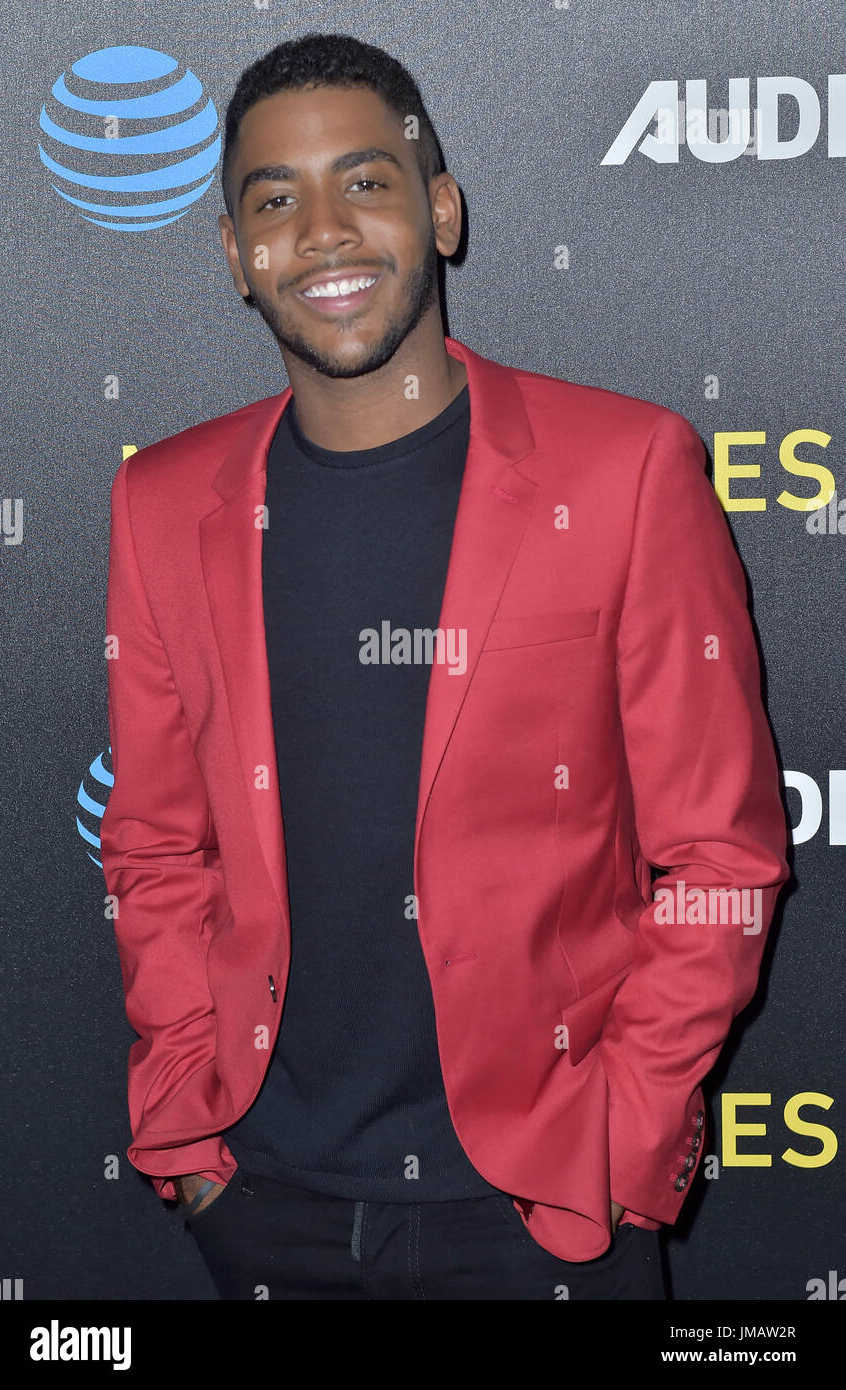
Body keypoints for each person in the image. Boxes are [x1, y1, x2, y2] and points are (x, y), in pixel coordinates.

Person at [101, 31, 790, 1300]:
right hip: (262, 1196)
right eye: (274, 200)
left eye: (364, 181)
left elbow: (721, 855)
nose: (321, 232)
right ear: (234, 256)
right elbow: (153, 844)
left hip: (537, 1212)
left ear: (442, 209)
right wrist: (186, 1128)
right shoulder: (160, 502)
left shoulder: (623, 471)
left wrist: (620, 1141)